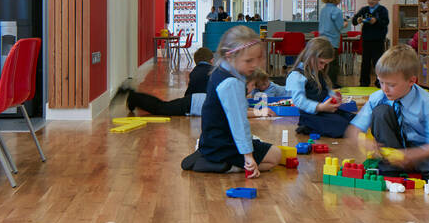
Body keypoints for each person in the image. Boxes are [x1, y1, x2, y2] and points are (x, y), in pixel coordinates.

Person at [179, 26, 286, 175]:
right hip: (224, 145)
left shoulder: (219, 70)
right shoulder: (231, 83)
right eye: (249, 61)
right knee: (275, 157)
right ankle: (228, 166)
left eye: (257, 59)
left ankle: (215, 159)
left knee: (268, 152)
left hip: (211, 141)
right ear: (230, 57)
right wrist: (248, 156)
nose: (254, 65)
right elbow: (239, 122)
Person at [347, 43, 429, 179]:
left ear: (411, 81)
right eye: (381, 82)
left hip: (421, 151)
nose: (385, 89)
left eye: (391, 85)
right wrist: (363, 141)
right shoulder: (378, 98)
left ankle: (403, 168)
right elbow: (353, 130)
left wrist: (411, 156)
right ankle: (391, 167)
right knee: (380, 111)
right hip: (391, 151)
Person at [285, 36, 355, 138]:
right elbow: (299, 101)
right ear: (311, 56)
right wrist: (320, 107)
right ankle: (307, 127)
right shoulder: (297, 75)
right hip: (310, 116)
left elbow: (326, 89)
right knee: (342, 127)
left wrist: (334, 96)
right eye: (322, 62)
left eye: (326, 64)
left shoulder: (316, 72)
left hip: (322, 112)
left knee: (354, 120)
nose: (323, 67)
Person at [121, 46, 213, 117]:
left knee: (162, 106)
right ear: (212, 61)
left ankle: (135, 97)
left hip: (191, 102)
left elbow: (190, 92)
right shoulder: (216, 72)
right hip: (199, 104)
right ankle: (134, 97)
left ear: (196, 61)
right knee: (162, 108)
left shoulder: (195, 71)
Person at [351, 0, 390, 86]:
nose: (371, 1)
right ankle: (364, 82)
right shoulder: (364, 10)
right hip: (366, 40)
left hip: (378, 41)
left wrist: (376, 21)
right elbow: (354, 20)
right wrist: (358, 20)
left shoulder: (382, 10)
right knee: (365, 62)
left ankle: (379, 82)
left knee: (378, 62)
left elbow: (385, 22)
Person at [318, 0, 346, 83]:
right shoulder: (337, 11)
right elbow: (340, 26)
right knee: (333, 65)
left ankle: (322, 83)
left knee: (322, 64)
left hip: (321, 42)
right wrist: (345, 24)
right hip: (332, 42)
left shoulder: (323, 10)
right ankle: (333, 84)